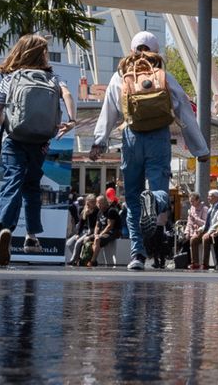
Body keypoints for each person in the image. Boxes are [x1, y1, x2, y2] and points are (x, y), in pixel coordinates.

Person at [90, 31, 210, 271]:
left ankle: (137, 255)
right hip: (158, 137)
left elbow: (109, 111)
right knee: (159, 189)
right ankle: (153, 202)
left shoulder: (121, 76)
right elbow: (184, 110)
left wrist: (99, 141)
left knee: (133, 200)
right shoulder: (163, 76)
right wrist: (200, 149)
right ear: (156, 50)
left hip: (131, 138)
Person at [0, 33, 76, 268]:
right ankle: (32, 236)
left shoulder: (12, 77)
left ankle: (6, 227)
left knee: (12, 181)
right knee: (32, 187)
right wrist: (71, 120)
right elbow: (67, 94)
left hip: (14, 139)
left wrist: (10, 127)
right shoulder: (53, 77)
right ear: (43, 54)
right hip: (40, 142)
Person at [89, 192, 122, 268]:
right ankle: (83, 259)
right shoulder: (100, 212)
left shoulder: (111, 211)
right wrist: (95, 233)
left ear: (105, 203)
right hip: (104, 232)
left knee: (97, 239)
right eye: (98, 203)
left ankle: (93, 261)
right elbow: (97, 225)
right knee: (87, 239)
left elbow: (110, 226)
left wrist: (99, 235)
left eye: (100, 203)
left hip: (114, 232)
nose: (99, 205)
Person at [65, 193, 98, 266]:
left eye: (94, 202)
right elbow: (80, 224)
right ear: (87, 202)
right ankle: (78, 259)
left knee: (78, 243)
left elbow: (93, 225)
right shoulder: (83, 210)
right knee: (69, 243)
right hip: (83, 231)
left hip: (90, 231)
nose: (94, 203)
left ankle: (73, 260)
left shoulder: (96, 211)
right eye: (92, 202)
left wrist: (89, 215)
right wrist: (77, 234)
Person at [197, 189, 218, 269]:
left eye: (210, 196)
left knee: (205, 238)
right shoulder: (211, 207)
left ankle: (204, 264)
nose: (208, 198)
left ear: (217, 197)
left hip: (216, 230)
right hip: (209, 229)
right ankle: (194, 262)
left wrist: (208, 232)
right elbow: (208, 223)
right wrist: (200, 229)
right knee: (194, 239)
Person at [182, 192, 208, 271]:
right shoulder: (192, 208)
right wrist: (187, 232)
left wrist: (195, 219)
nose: (191, 203)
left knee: (192, 241)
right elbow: (189, 223)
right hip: (192, 231)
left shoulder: (204, 209)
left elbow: (205, 223)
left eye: (192, 201)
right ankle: (185, 262)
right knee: (183, 242)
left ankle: (194, 262)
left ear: (198, 200)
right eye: (190, 201)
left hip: (201, 231)